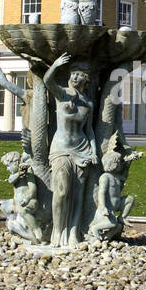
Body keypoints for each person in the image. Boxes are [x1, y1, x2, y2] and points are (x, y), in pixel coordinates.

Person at [44, 53, 97, 246]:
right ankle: (57, 232)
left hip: (82, 150)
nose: (74, 77)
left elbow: (89, 130)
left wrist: (94, 151)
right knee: (62, 191)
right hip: (61, 149)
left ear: (86, 79)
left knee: (78, 195)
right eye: (73, 73)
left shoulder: (88, 104)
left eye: (79, 74)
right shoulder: (62, 94)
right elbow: (47, 81)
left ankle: (74, 232)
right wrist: (56, 65)